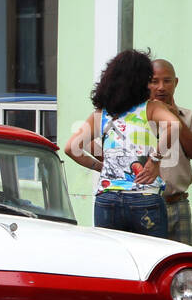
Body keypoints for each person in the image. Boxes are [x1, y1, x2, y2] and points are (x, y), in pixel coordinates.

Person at [63, 49, 179, 237]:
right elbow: (173, 125)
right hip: (144, 196)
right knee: (151, 259)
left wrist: (102, 167)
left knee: (112, 262)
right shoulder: (150, 108)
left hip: (107, 198)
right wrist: (155, 160)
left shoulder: (100, 115)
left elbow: (71, 148)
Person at [150, 58, 192, 244]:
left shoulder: (187, 116)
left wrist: (176, 120)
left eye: (167, 81)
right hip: (145, 205)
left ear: (175, 83)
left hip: (178, 203)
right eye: (154, 81)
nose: (161, 87)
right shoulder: (135, 118)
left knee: (181, 266)